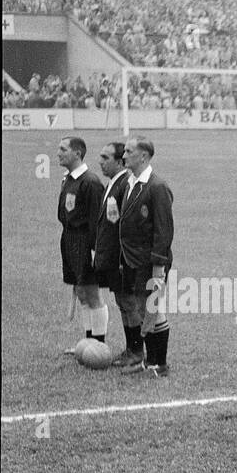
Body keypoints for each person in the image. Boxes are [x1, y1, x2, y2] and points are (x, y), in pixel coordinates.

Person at [116, 136, 175, 377]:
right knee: (142, 308)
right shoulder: (130, 182)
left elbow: (164, 230)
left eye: (129, 151)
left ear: (143, 156)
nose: (124, 155)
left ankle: (159, 364)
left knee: (153, 309)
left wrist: (158, 266)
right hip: (131, 259)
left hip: (150, 261)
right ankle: (149, 360)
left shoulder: (157, 186)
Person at [56, 136, 107, 350]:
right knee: (82, 292)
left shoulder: (91, 182)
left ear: (77, 153)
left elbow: (98, 220)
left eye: (63, 149)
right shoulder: (68, 178)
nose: (58, 153)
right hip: (69, 239)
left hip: (85, 242)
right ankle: (88, 343)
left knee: (92, 293)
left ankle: (99, 345)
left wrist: (96, 250)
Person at [94, 142, 137, 367]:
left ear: (119, 162)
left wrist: (121, 259)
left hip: (121, 260)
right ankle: (130, 349)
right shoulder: (113, 183)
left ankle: (137, 351)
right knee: (122, 302)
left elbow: (125, 227)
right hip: (112, 259)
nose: (100, 161)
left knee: (129, 303)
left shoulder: (124, 185)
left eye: (105, 157)